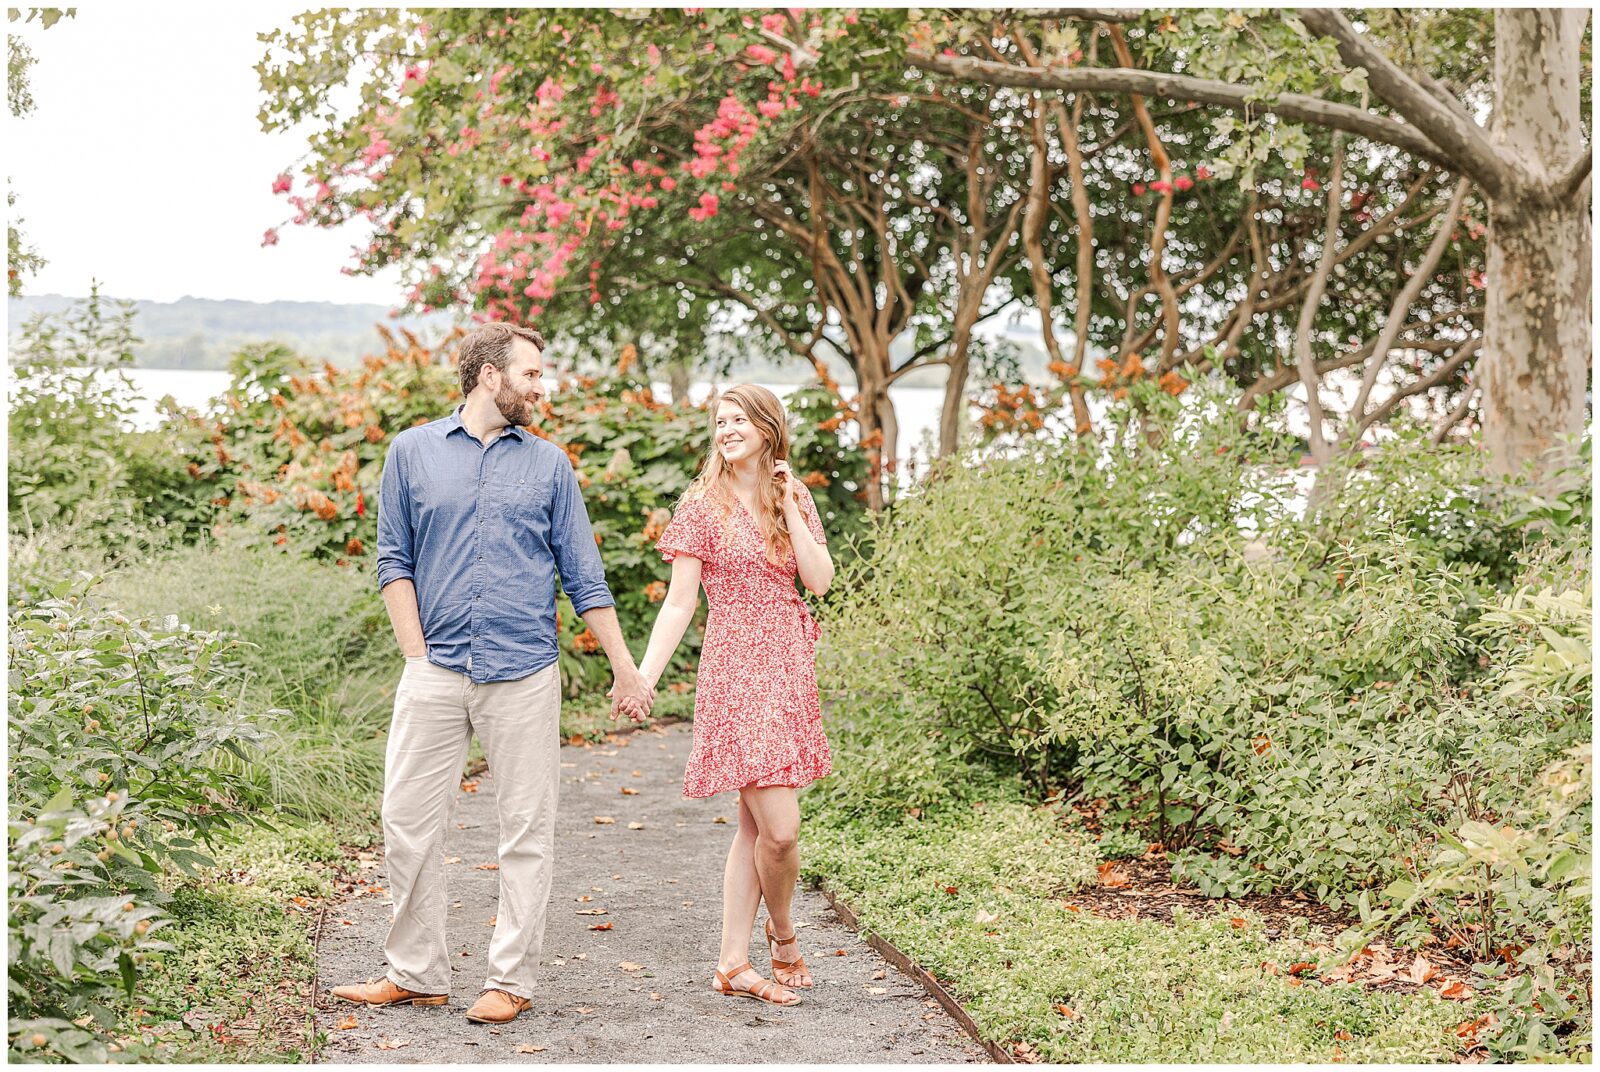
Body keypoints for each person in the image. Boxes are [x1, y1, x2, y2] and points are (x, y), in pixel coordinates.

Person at [330, 322, 653, 1025]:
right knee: (407, 823)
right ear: (488, 375)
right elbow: (394, 561)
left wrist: (626, 672)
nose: (541, 387)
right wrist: (415, 655)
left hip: (524, 672)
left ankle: (509, 980)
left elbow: (584, 577)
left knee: (525, 830)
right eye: (531, 374)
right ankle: (417, 974)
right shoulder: (411, 453)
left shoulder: (549, 465)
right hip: (435, 668)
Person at [635, 384, 836, 1007]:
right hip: (734, 672)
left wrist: (791, 499)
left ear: (767, 428)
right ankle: (782, 934)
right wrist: (644, 675)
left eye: (737, 420)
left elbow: (820, 582)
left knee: (755, 827)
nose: (725, 430)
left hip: (788, 667)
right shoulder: (700, 504)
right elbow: (678, 602)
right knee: (780, 830)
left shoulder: (792, 495)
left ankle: (731, 962)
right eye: (719, 422)